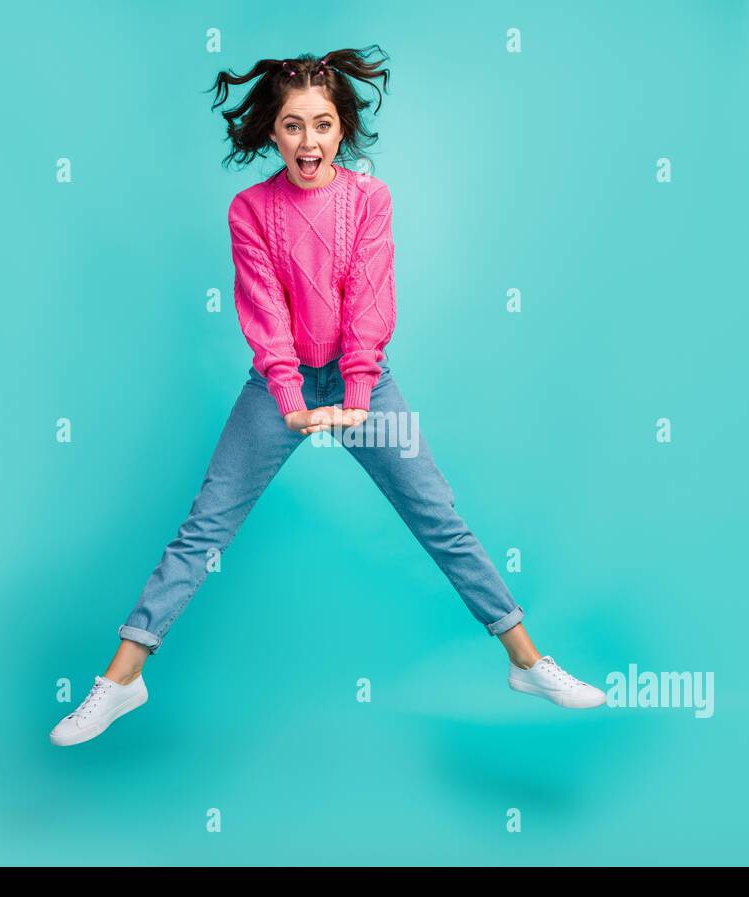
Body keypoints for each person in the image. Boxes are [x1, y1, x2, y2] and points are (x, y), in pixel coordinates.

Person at [50, 46, 606, 747]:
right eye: (291, 126)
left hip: (360, 380)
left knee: (437, 515)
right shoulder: (250, 209)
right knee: (205, 528)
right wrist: (289, 399)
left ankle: (528, 663)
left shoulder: (371, 199)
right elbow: (266, 311)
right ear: (272, 132)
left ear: (342, 128)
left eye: (320, 124)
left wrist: (358, 392)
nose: (307, 141)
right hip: (278, 385)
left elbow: (369, 301)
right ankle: (121, 680)